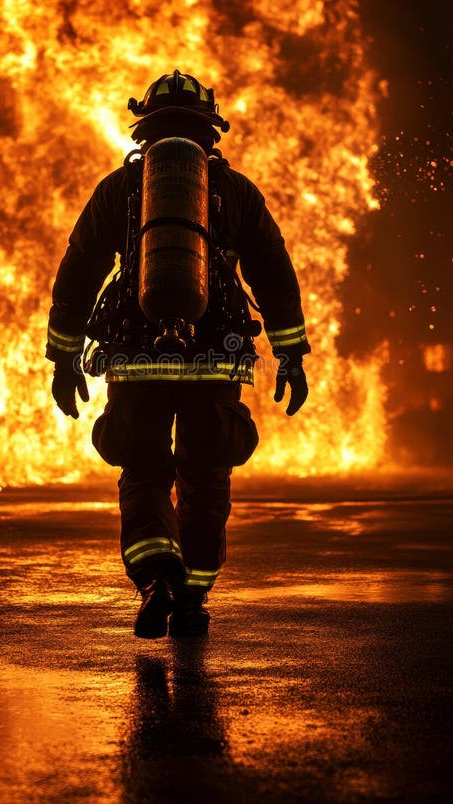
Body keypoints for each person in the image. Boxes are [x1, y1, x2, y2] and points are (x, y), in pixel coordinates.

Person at [46, 70, 310, 639]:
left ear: (143, 128)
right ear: (211, 131)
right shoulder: (234, 191)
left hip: (135, 358)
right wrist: (291, 355)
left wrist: (63, 357)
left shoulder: (119, 190)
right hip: (215, 359)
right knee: (207, 478)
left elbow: (78, 272)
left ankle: (154, 578)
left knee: (143, 471)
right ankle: (192, 597)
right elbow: (274, 275)